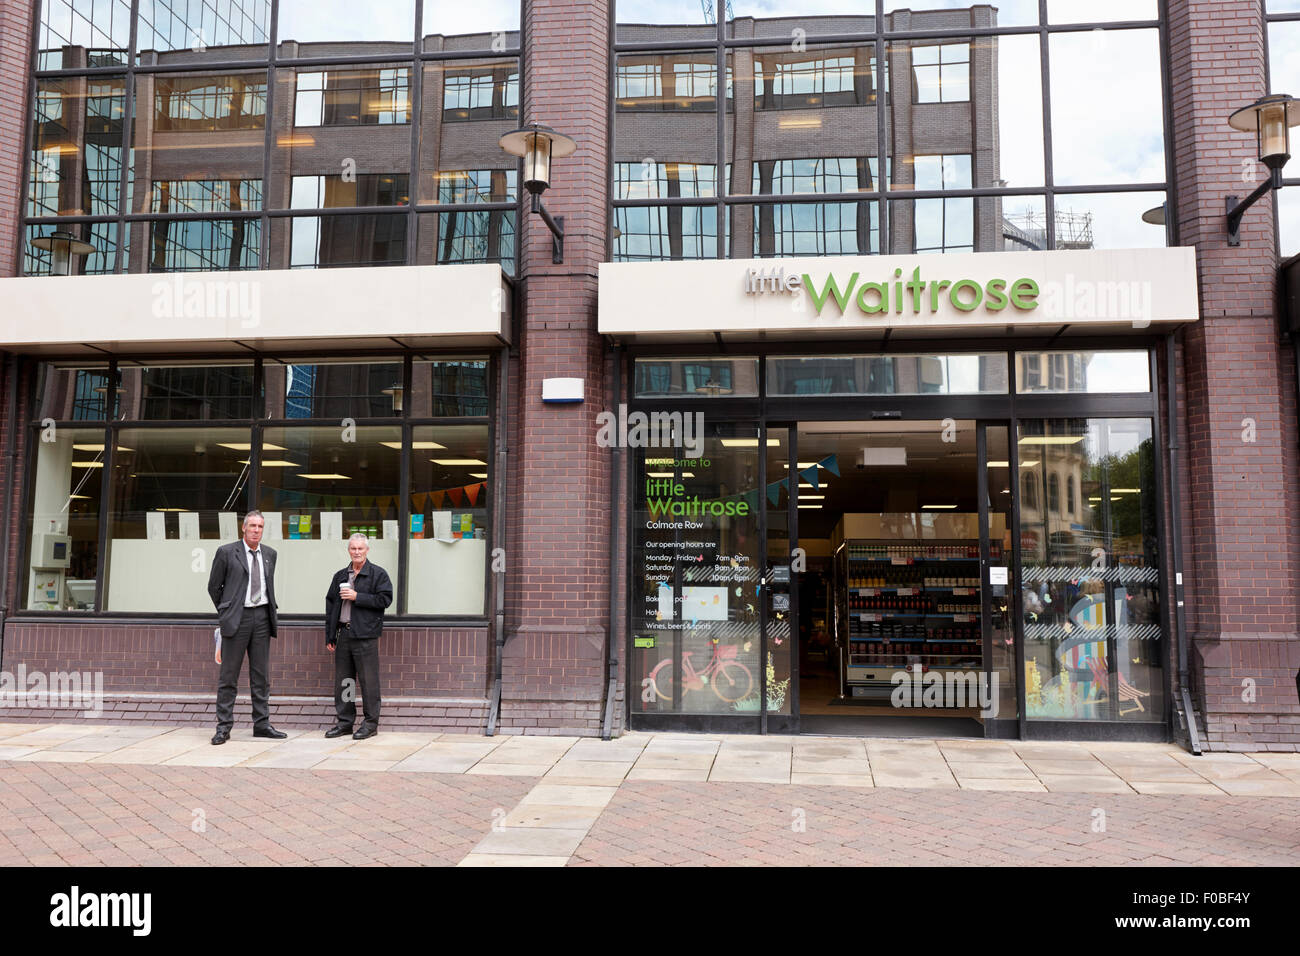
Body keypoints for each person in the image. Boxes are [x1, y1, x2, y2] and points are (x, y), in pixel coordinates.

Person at [207, 510, 286, 745]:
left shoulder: (270, 554)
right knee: (229, 676)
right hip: (237, 619)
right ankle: (223, 727)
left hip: (261, 617)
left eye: (260, 527)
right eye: (252, 526)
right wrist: (227, 610)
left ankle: (262, 724)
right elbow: (214, 587)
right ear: (243, 528)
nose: (256, 530)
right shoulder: (227, 552)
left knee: (261, 675)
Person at [323, 533, 393, 740]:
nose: (357, 552)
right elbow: (330, 605)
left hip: (365, 635)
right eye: (353, 548)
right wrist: (330, 635)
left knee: (368, 681)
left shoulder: (378, 574)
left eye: (360, 549)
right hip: (343, 633)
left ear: (367, 550)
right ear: (349, 550)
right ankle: (345, 722)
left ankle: (371, 724)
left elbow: (384, 600)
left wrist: (357, 597)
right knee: (346, 681)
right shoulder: (340, 576)